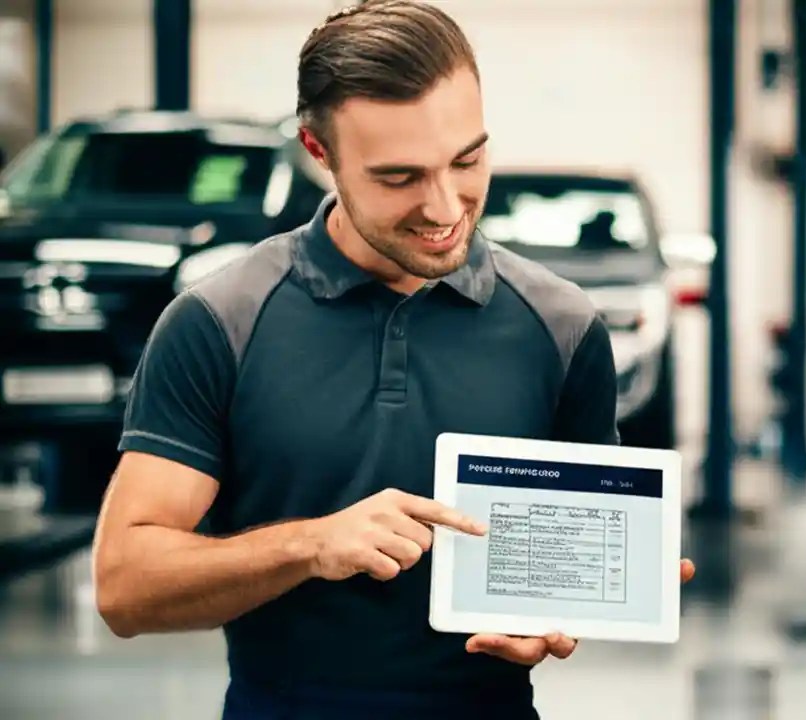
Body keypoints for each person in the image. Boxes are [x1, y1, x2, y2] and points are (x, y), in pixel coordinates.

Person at [90, 2, 693, 718]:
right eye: (400, 177)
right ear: (321, 154)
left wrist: (562, 609)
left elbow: (564, 563)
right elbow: (125, 587)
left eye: (467, 160)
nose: (445, 207)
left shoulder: (561, 328)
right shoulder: (220, 322)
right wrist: (311, 545)